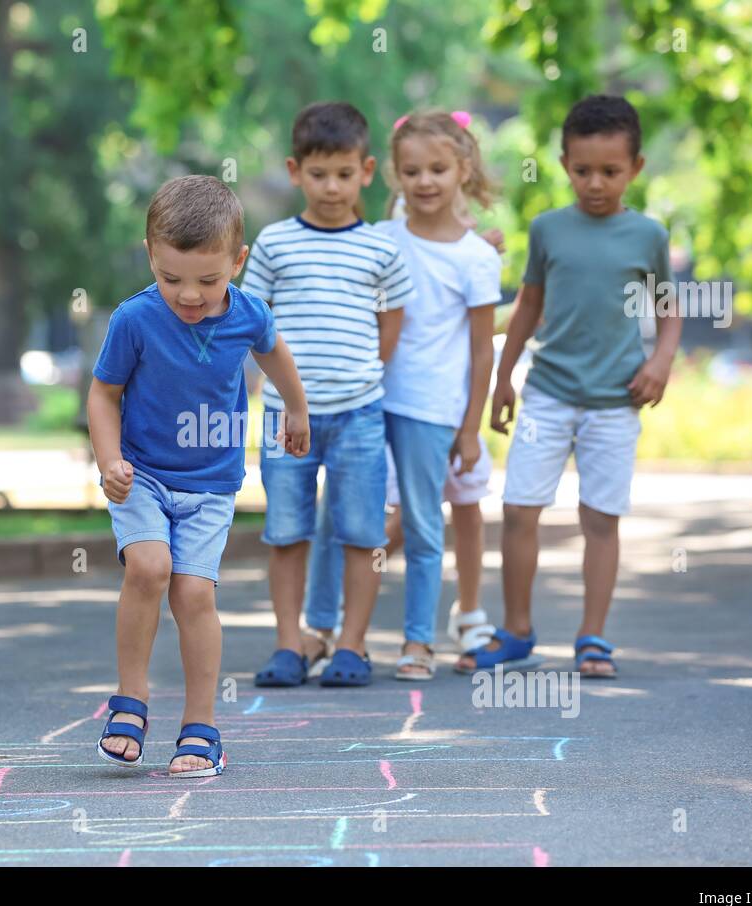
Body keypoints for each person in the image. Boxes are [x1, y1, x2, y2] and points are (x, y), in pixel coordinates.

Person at [87, 175, 309, 775]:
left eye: (208, 281)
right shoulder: (134, 319)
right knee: (149, 568)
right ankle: (130, 700)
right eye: (171, 278)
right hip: (144, 476)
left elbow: (274, 350)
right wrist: (109, 462)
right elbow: (103, 395)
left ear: (238, 262)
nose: (189, 296)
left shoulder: (248, 314)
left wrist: (295, 406)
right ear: (150, 256)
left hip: (210, 484)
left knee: (192, 595)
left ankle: (201, 726)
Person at [455, 94, 682, 678]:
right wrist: (504, 378)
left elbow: (669, 308)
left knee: (600, 518)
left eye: (610, 171)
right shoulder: (549, 229)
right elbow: (529, 304)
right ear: (563, 164)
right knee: (520, 508)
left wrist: (661, 360)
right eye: (582, 170)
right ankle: (518, 630)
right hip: (548, 394)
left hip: (616, 401)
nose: (596, 183)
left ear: (635, 168)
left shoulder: (648, 235)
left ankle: (594, 637)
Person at [302, 108, 502, 680]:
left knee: (421, 522)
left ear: (462, 168)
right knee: (338, 516)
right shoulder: (379, 239)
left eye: (438, 168)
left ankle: (418, 640)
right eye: (412, 171)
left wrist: (470, 429)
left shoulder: (476, 258)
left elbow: (482, 351)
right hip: (362, 400)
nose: (425, 181)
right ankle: (323, 629)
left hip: (432, 409)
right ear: (392, 175)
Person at [243, 101, 414, 689]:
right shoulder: (274, 244)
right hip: (286, 416)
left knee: (363, 532)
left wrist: (366, 370)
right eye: (318, 175)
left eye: (345, 174)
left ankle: (353, 645)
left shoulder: (381, 249)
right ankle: (290, 644)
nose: (332, 187)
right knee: (287, 531)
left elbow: (392, 319)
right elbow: (254, 323)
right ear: (295, 171)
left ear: (366, 171)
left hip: (359, 412)